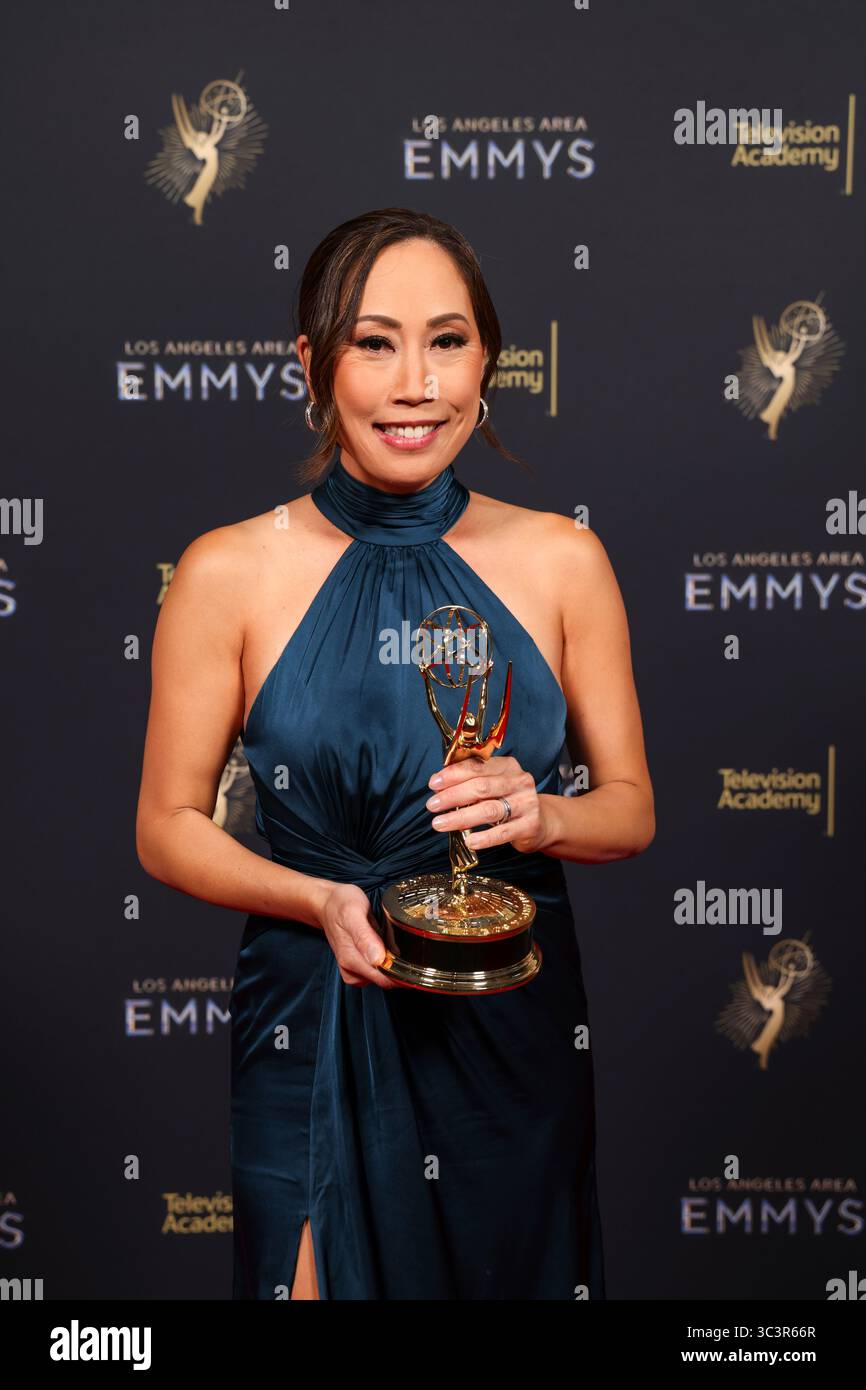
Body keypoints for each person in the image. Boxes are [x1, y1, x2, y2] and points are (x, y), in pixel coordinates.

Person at [136, 207, 655, 1300]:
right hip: (316, 1012)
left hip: (509, 1030)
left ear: (488, 360)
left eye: (447, 339)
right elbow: (167, 827)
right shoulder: (228, 571)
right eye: (374, 343)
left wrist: (540, 814)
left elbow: (629, 808)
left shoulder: (564, 559)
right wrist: (318, 899)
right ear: (312, 366)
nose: (415, 382)